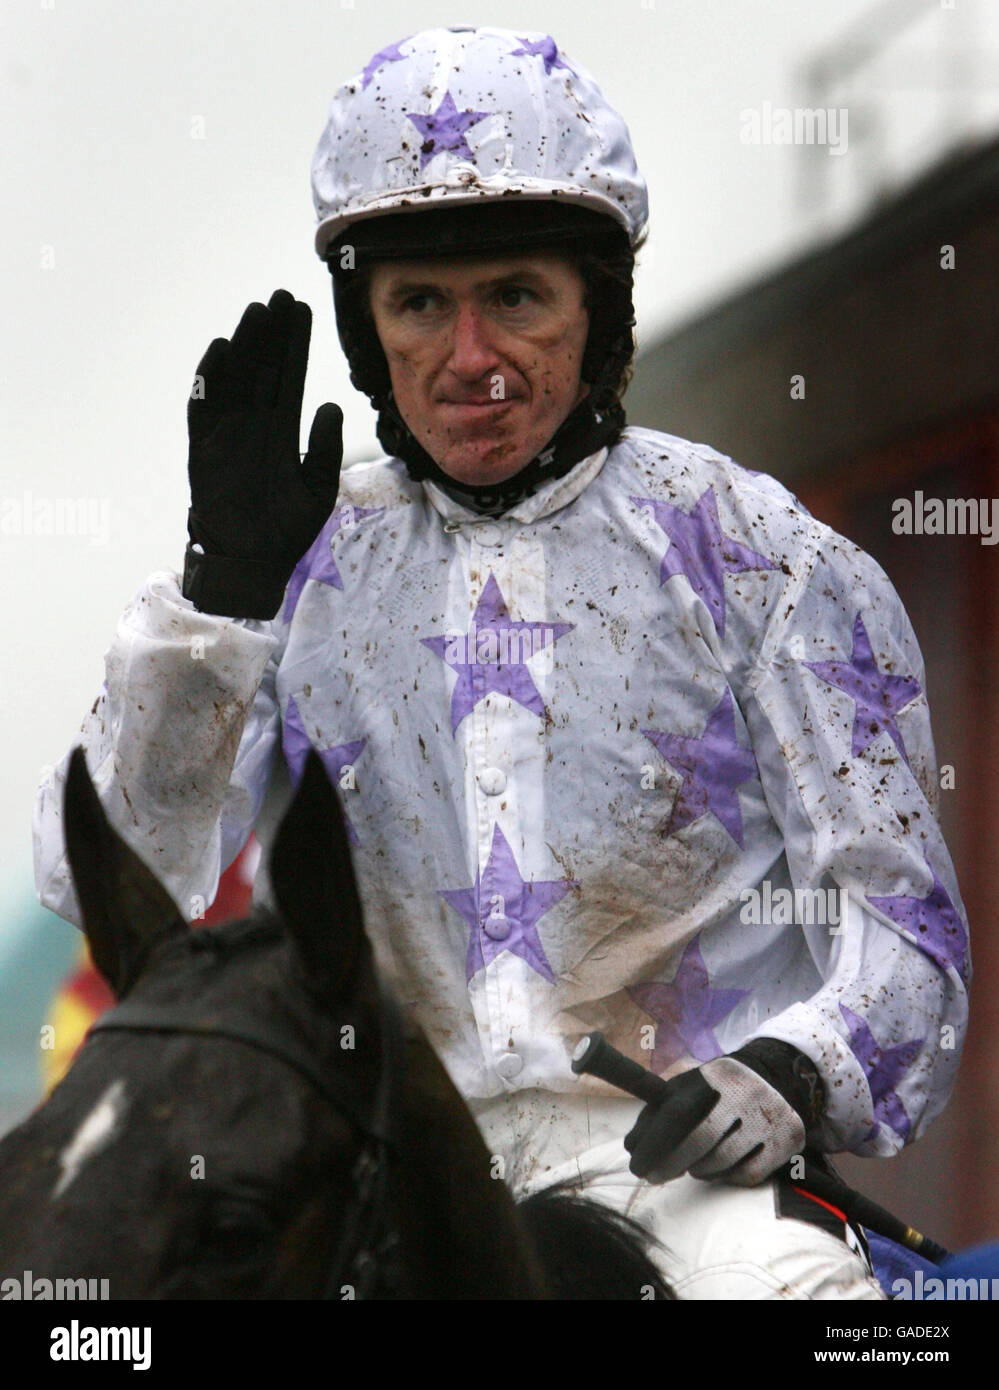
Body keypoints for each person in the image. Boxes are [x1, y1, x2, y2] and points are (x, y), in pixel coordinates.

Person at [33, 25, 969, 1299]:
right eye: (421, 305)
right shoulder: (292, 569)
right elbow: (109, 882)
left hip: (695, 1201)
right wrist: (220, 610)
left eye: (516, 297)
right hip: (373, 1177)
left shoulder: (763, 560)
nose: (470, 361)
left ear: (598, 308)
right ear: (368, 330)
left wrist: (796, 1070)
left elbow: (903, 934)